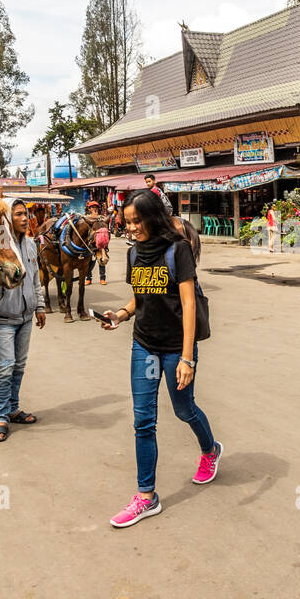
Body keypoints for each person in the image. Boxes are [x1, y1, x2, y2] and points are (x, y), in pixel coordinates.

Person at [98, 190, 222, 528]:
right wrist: (121, 315)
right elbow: (142, 296)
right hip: (144, 345)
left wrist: (187, 358)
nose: (132, 228)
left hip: (175, 348)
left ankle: (210, 450)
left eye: (137, 221)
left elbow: (189, 305)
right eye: (128, 223)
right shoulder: (134, 253)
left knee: (184, 409)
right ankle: (146, 496)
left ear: (153, 218)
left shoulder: (177, 250)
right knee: (143, 421)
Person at [0, 199, 45, 443]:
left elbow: (36, 279)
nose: (25, 218)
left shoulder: (32, 245)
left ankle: (13, 408)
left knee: (18, 367)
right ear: (7, 219)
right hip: (3, 318)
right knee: (4, 369)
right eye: (18, 214)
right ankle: (1, 417)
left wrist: (40, 307)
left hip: (25, 317)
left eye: (25, 214)